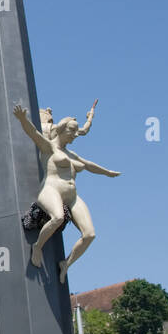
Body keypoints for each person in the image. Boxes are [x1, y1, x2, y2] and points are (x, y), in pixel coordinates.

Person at [12, 102, 119, 283]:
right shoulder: (49, 147)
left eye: (76, 132)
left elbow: (89, 165)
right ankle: (37, 247)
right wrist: (23, 119)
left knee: (89, 234)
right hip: (51, 189)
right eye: (72, 131)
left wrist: (107, 172)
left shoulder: (72, 154)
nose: (75, 135)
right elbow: (33, 133)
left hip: (72, 197)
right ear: (62, 129)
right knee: (58, 217)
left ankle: (66, 264)